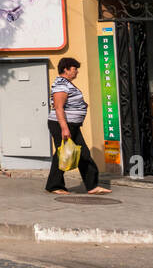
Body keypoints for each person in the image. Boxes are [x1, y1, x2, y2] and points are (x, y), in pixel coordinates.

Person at [47, 57, 111, 196]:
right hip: (62, 125)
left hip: (72, 125)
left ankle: (92, 186)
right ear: (66, 69)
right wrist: (64, 128)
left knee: (83, 154)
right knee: (63, 154)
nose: (76, 72)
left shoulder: (67, 83)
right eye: (74, 69)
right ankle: (54, 186)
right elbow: (58, 107)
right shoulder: (60, 84)